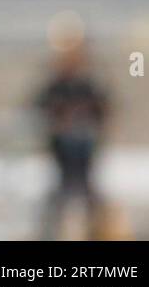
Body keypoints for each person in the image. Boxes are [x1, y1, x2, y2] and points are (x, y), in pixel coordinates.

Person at [36, 37, 107, 239]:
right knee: (58, 200)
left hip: (85, 157)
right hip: (59, 158)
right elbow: (39, 111)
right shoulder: (53, 86)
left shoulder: (88, 86)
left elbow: (104, 111)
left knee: (87, 200)